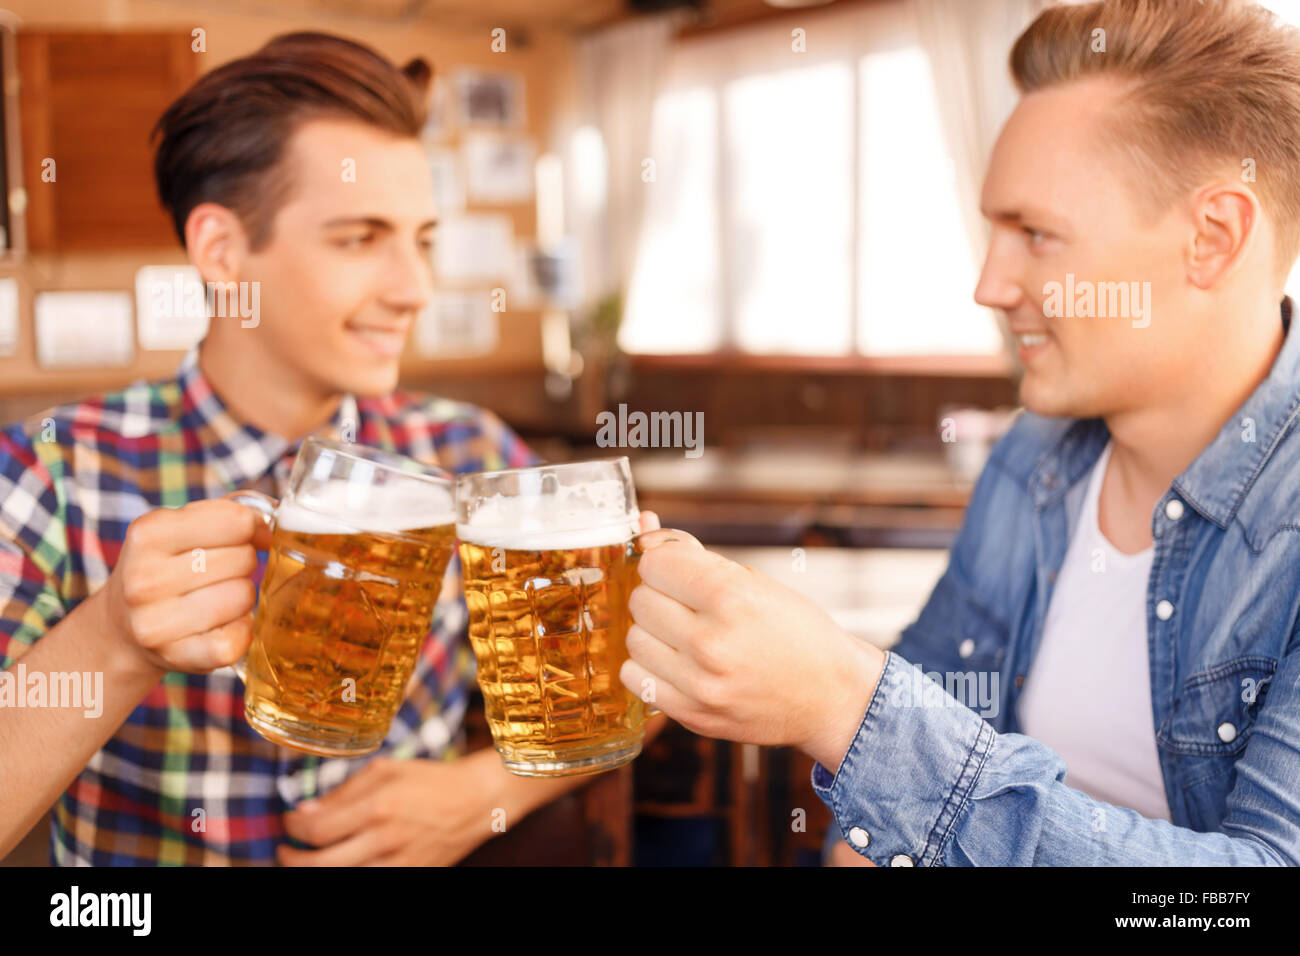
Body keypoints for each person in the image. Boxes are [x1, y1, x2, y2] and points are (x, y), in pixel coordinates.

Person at [623, 0, 1300, 865]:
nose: (989, 283)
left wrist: (844, 703)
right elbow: (934, 698)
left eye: (1036, 234)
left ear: (1212, 238)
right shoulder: (1035, 460)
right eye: (993, 230)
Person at [0, 31, 661, 865]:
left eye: (420, 239)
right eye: (359, 237)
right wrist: (111, 640)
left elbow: (645, 669)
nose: (414, 288)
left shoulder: (470, 453)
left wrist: (483, 794)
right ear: (222, 252)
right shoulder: (52, 474)